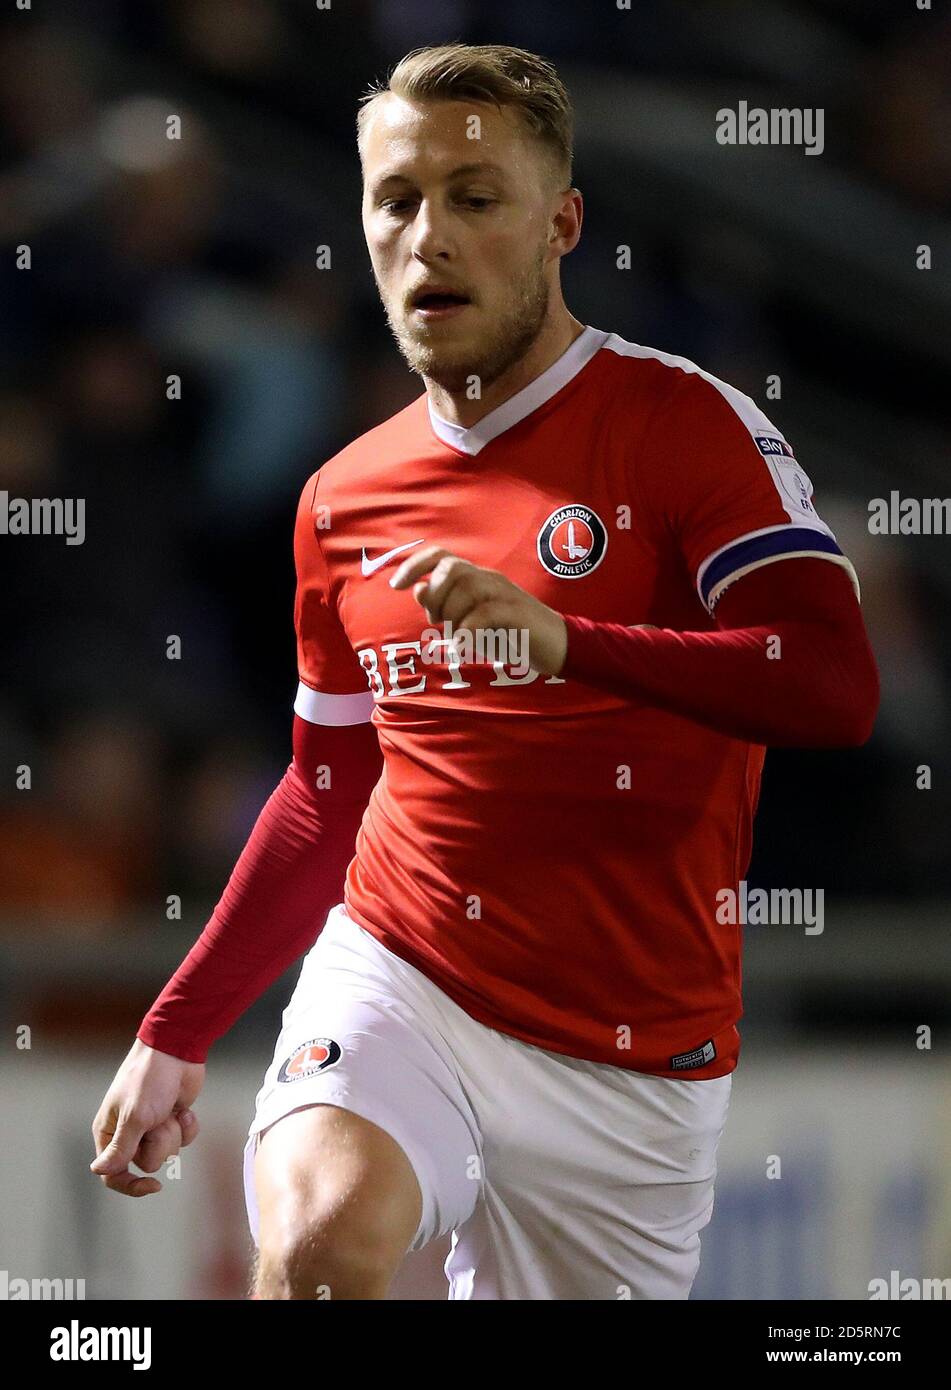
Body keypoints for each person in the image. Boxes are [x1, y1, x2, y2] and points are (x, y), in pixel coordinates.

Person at [91, 43, 879, 1300]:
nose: (428, 236)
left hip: (632, 1057)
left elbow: (835, 686)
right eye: (395, 199)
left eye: (474, 197)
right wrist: (176, 1028)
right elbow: (328, 787)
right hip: (405, 979)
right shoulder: (343, 498)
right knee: (317, 1246)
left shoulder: (690, 427)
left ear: (561, 222)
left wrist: (570, 644)